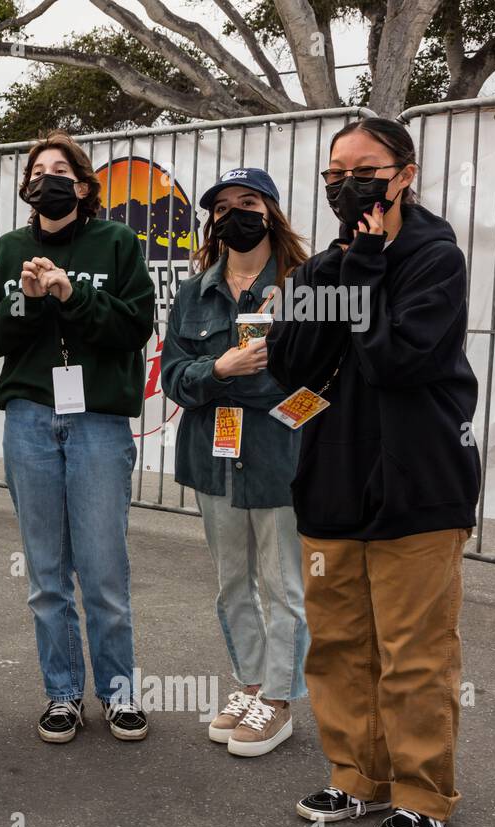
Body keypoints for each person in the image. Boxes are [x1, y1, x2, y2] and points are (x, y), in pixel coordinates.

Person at [267, 118, 480, 827]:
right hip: (332, 478)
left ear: (405, 174)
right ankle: (356, 775)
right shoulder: (322, 268)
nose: (346, 185)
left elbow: (398, 361)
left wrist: (362, 275)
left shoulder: (434, 258)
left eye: (363, 170)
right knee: (337, 642)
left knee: (415, 648)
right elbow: (289, 365)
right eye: (333, 174)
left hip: (418, 485)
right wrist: (347, 269)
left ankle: (423, 792)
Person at [0, 131, 156, 744]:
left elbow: (134, 327)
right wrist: (25, 300)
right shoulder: (8, 250)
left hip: (98, 421)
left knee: (102, 570)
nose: (48, 178)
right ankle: (63, 693)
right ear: (27, 186)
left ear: (82, 185)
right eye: (37, 170)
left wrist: (74, 294)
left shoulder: (117, 243)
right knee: (47, 573)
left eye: (61, 170)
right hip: (29, 421)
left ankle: (120, 694)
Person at [160, 167, 311, 756]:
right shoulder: (195, 292)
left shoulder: (305, 287)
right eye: (221, 207)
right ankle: (250, 685)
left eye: (247, 202)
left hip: (278, 459)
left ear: (271, 211)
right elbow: (173, 374)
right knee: (231, 585)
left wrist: (285, 421)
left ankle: (279, 699)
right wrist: (216, 370)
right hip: (214, 457)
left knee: (283, 585)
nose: (233, 214)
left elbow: (329, 381)